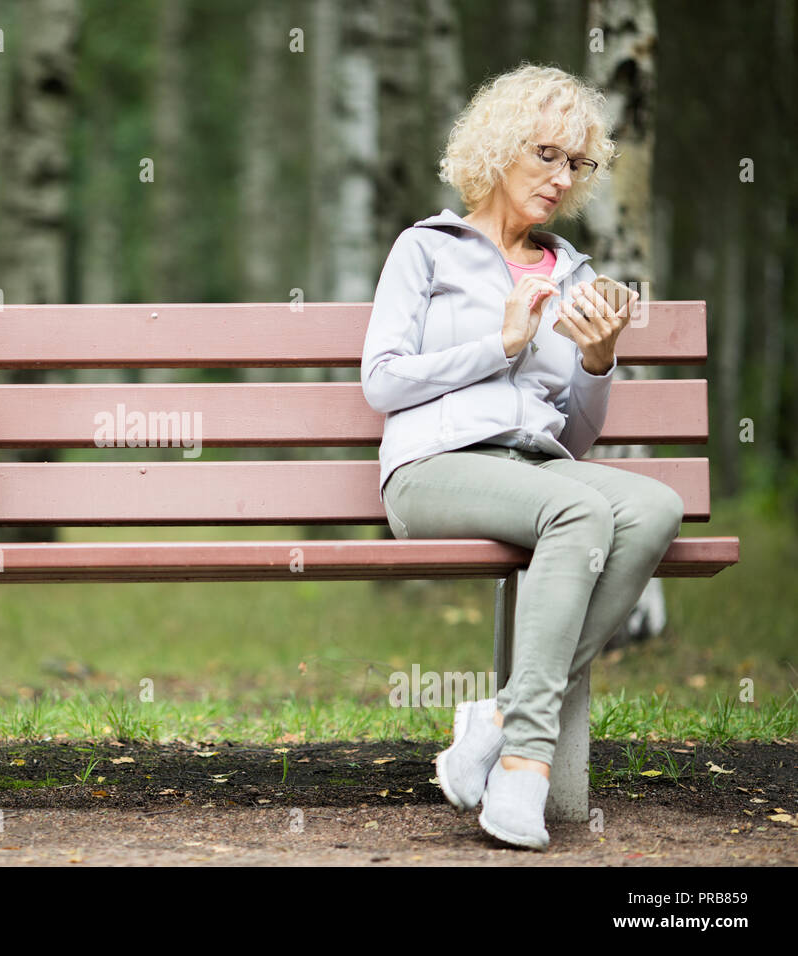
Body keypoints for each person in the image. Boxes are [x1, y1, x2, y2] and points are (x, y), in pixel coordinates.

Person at [360, 64, 683, 850]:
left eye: (576, 163)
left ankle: (499, 716)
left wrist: (600, 363)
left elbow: (571, 441)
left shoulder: (571, 272)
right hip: (434, 467)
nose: (559, 177)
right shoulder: (426, 249)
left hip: (533, 471)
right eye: (545, 154)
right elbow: (382, 381)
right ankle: (526, 767)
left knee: (653, 508)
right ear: (500, 148)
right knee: (577, 509)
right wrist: (496, 345)